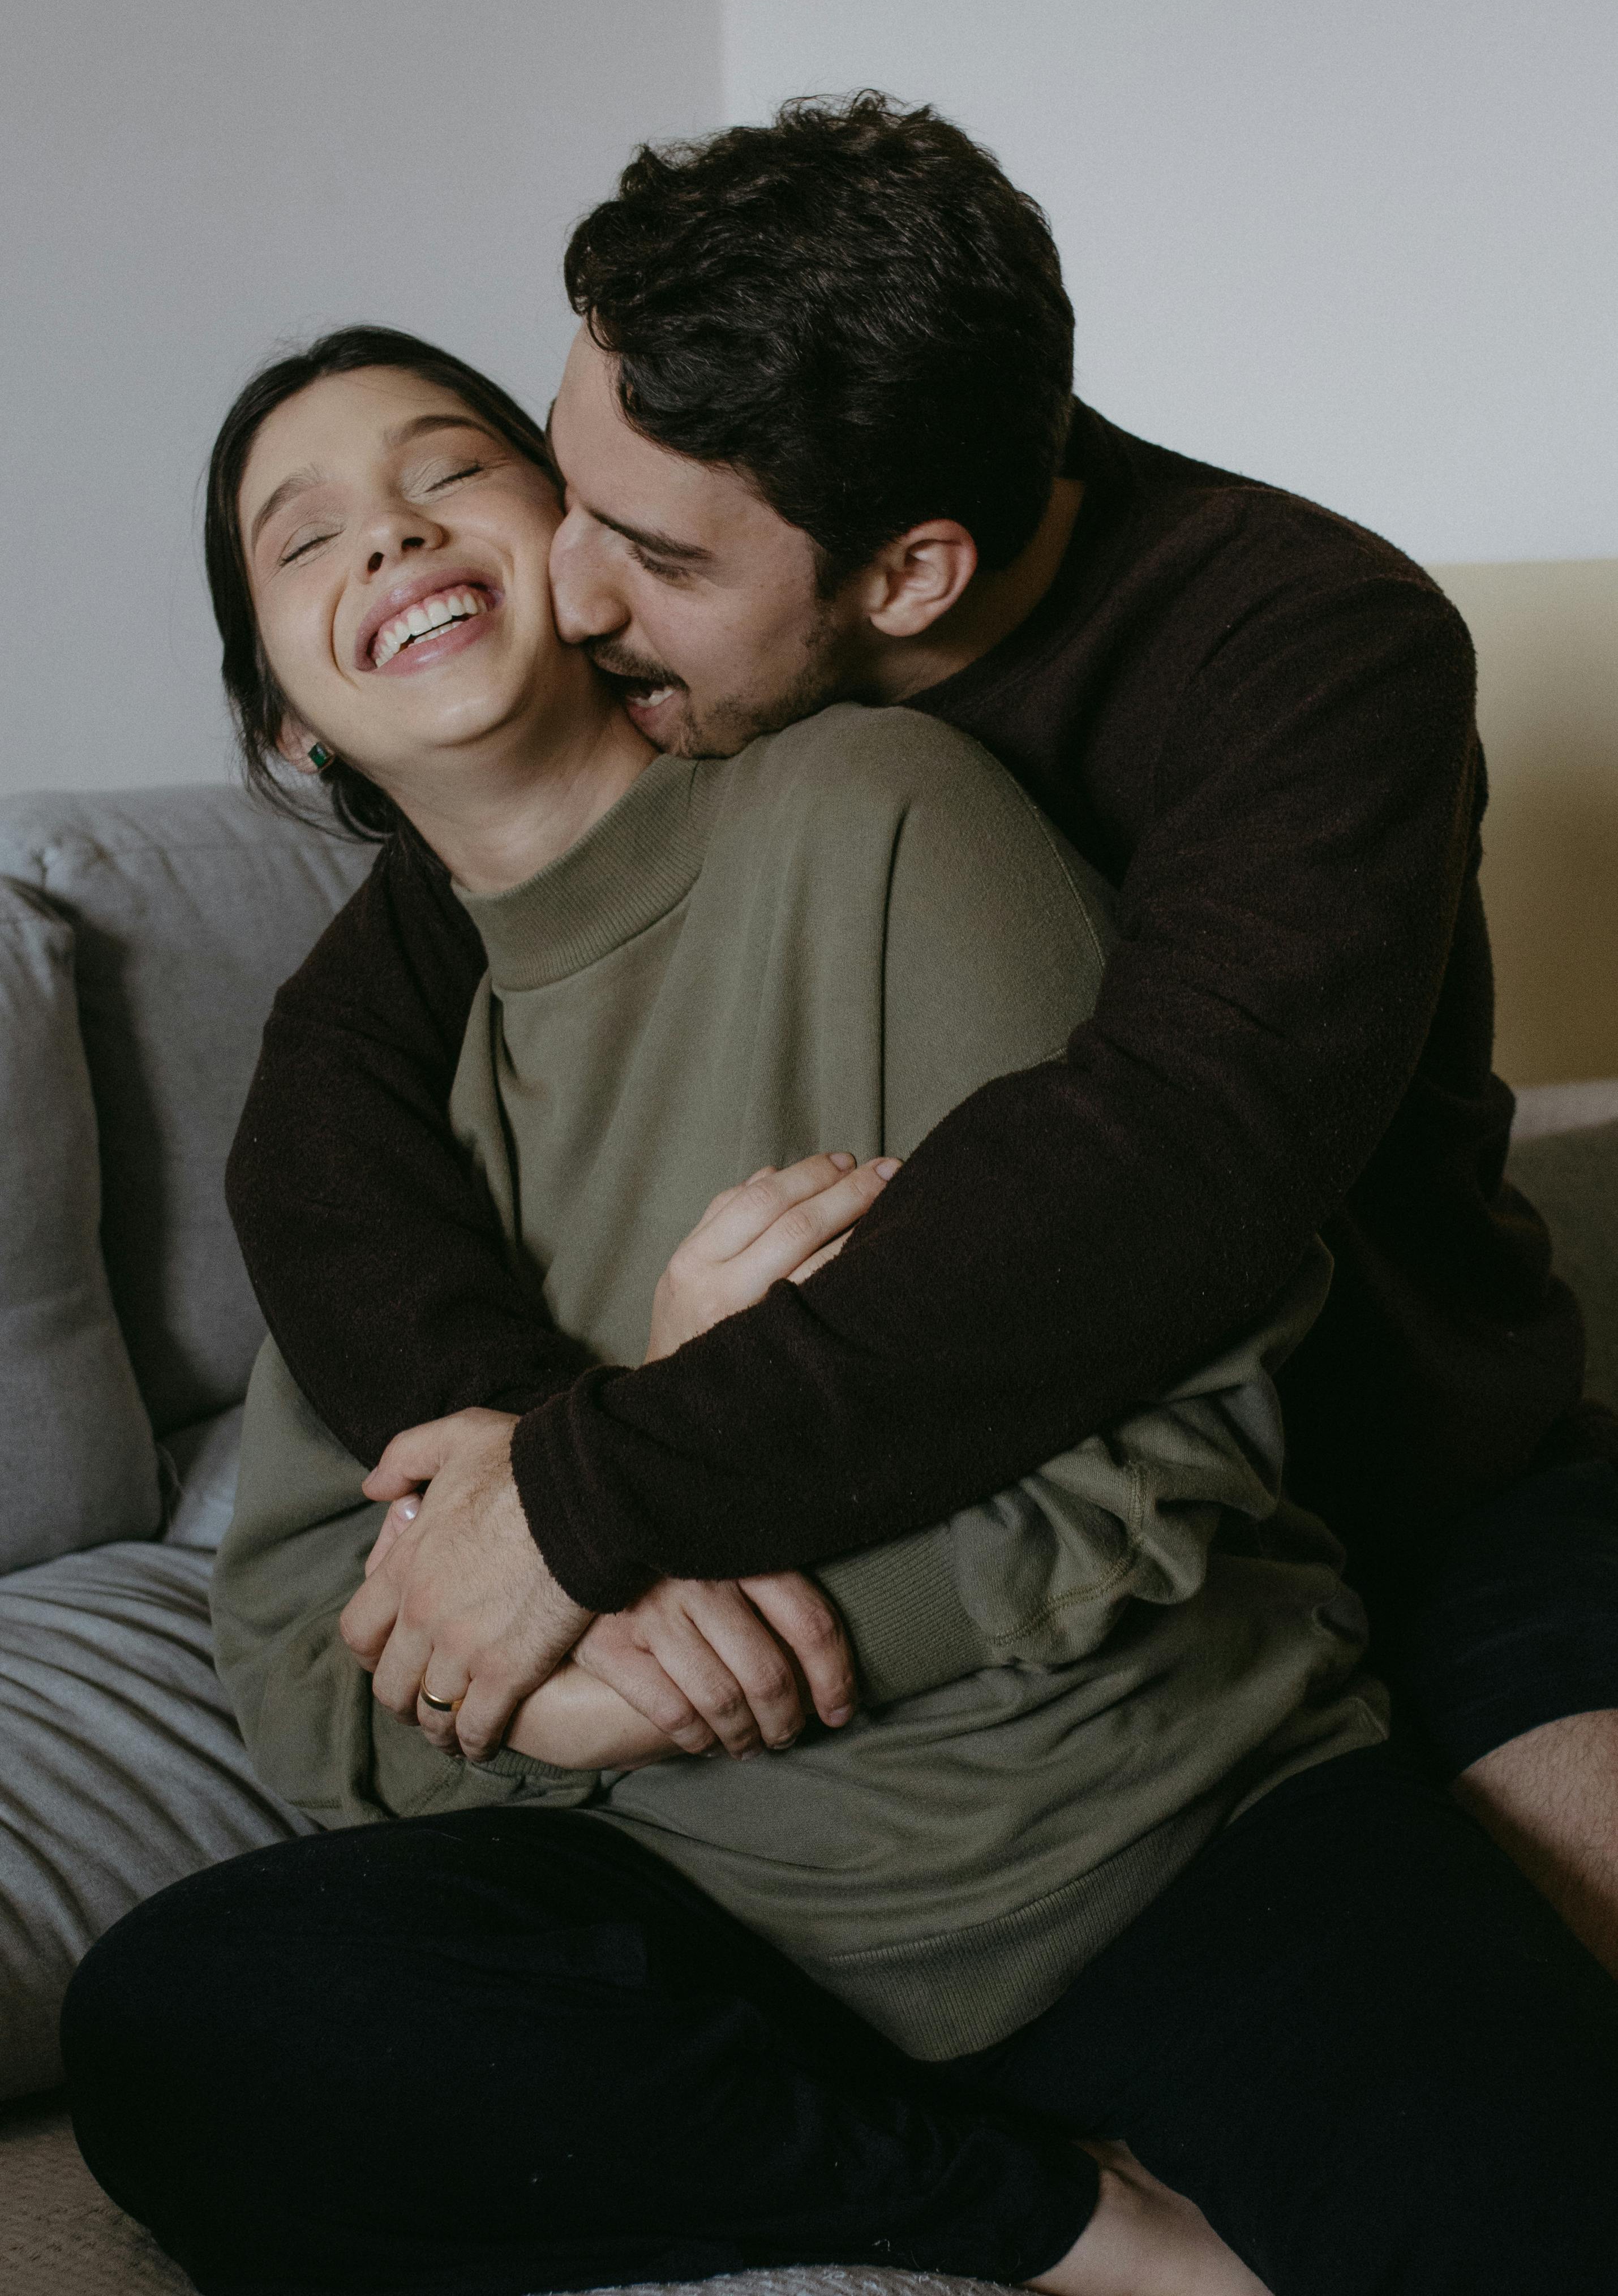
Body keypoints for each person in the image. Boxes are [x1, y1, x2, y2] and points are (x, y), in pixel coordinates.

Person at [63, 329, 1618, 2296]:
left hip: (1125, 1826)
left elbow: (1164, 1430)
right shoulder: (375, 1095)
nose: (385, 537)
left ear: (586, 546)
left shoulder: (877, 813)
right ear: (286, 726)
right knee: (196, 2025)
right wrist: (575, 1680)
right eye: (303, 541)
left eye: (448, 472)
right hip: (690, 1902)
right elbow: (299, 1634)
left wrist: (657, 1594)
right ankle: (1068, 2227)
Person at [223, 93, 1618, 1968]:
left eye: (650, 556)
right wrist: (509, 1449)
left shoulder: (1306, 649)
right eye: (576, 495)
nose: (569, 592)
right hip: (946, 1551)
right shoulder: (676, 662)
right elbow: (334, 1088)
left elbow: (1156, 1169)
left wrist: (579, 1498)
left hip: (1399, 1487)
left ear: (910, 579)